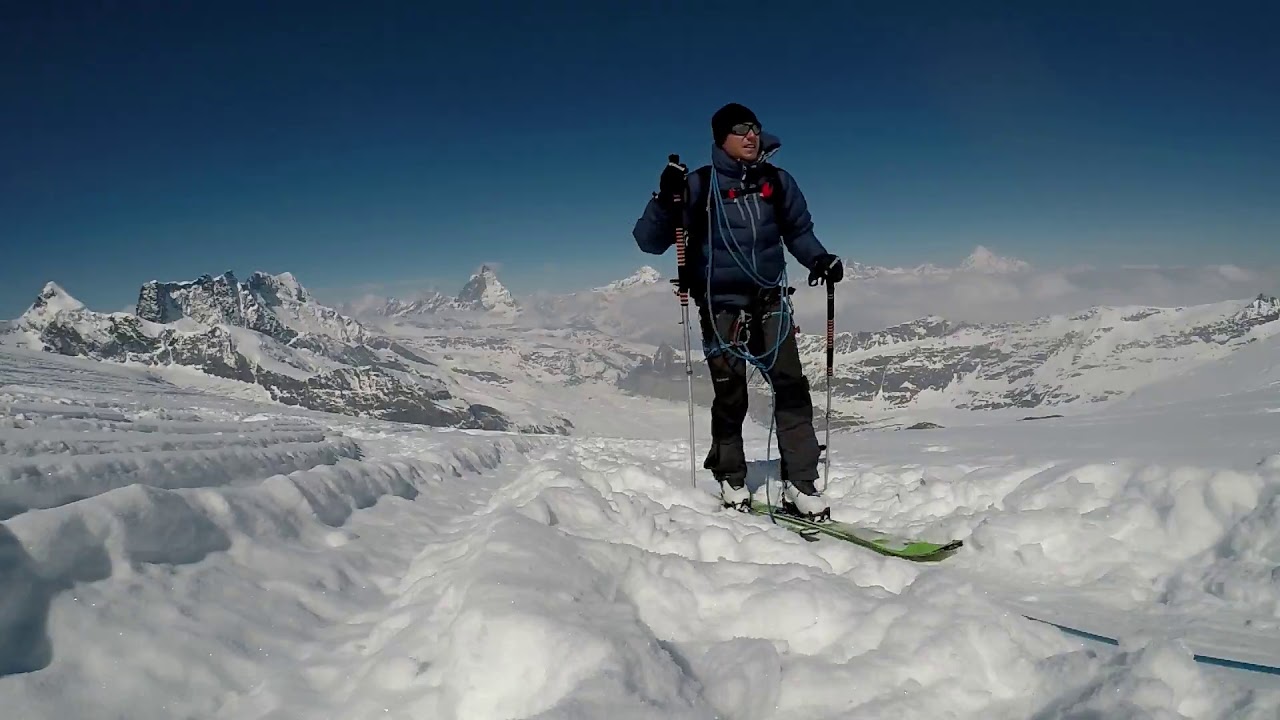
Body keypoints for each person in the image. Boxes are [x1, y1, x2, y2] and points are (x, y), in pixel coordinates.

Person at [632, 102, 844, 520]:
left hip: (770, 301)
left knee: (791, 387)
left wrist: (819, 259)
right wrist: (665, 198)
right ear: (720, 138)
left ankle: (800, 483)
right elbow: (649, 241)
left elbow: (798, 232)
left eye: (755, 128)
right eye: (740, 129)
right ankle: (731, 474)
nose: (752, 135)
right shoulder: (698, 186)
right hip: (721, 306)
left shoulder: (777, 183)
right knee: (732, 396)